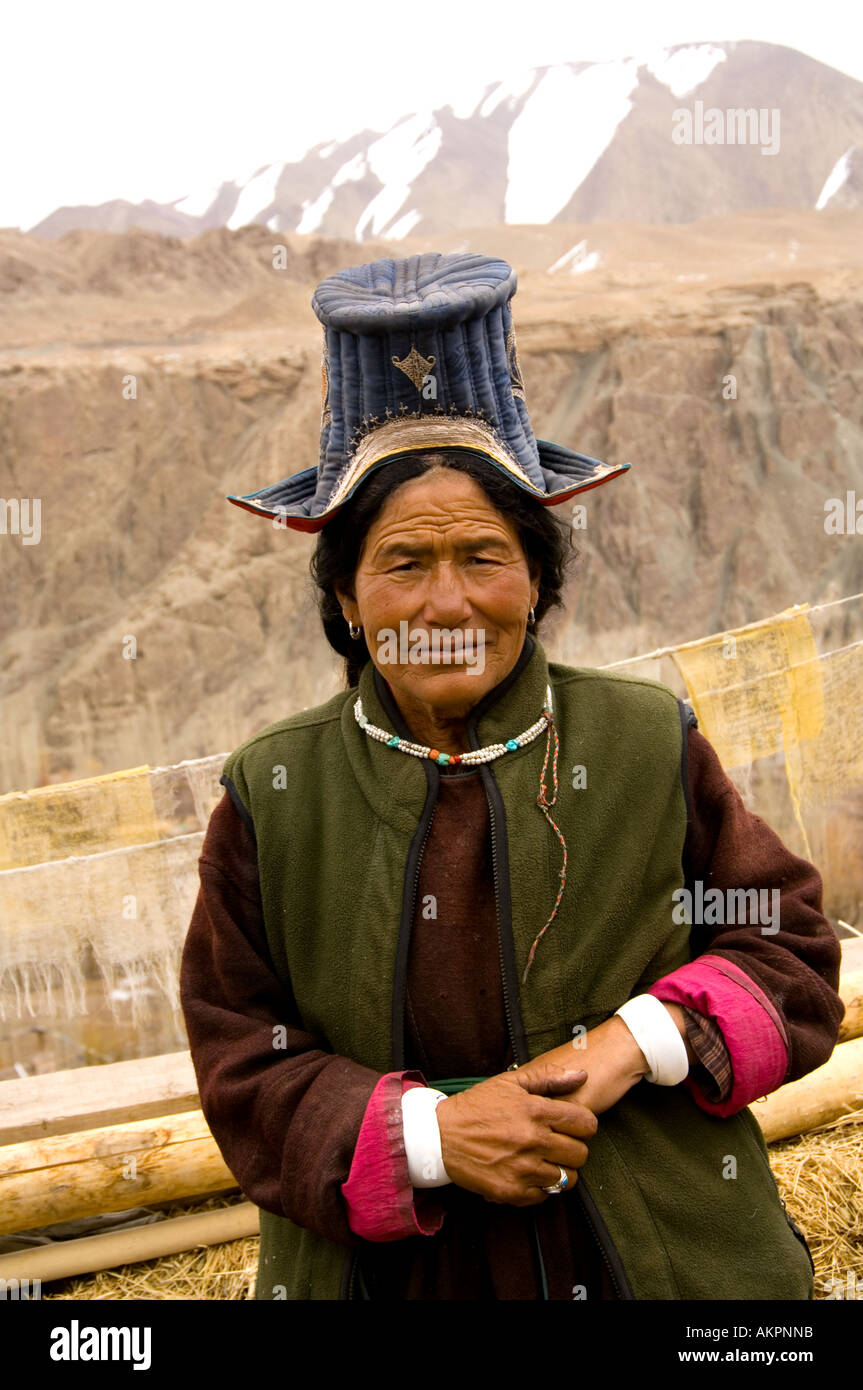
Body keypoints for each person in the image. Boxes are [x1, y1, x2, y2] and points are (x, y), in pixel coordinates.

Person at [180, 252, 843, 1301]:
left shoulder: (642, 742)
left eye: (483, 556)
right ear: (345, 598)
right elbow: (241, 1061)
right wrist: (436, 1138)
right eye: (403, 562)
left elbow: (791, 950)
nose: (446, 604)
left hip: (665, 1269)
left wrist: (638, 1041)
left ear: (535, 580)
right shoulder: (272, 792)